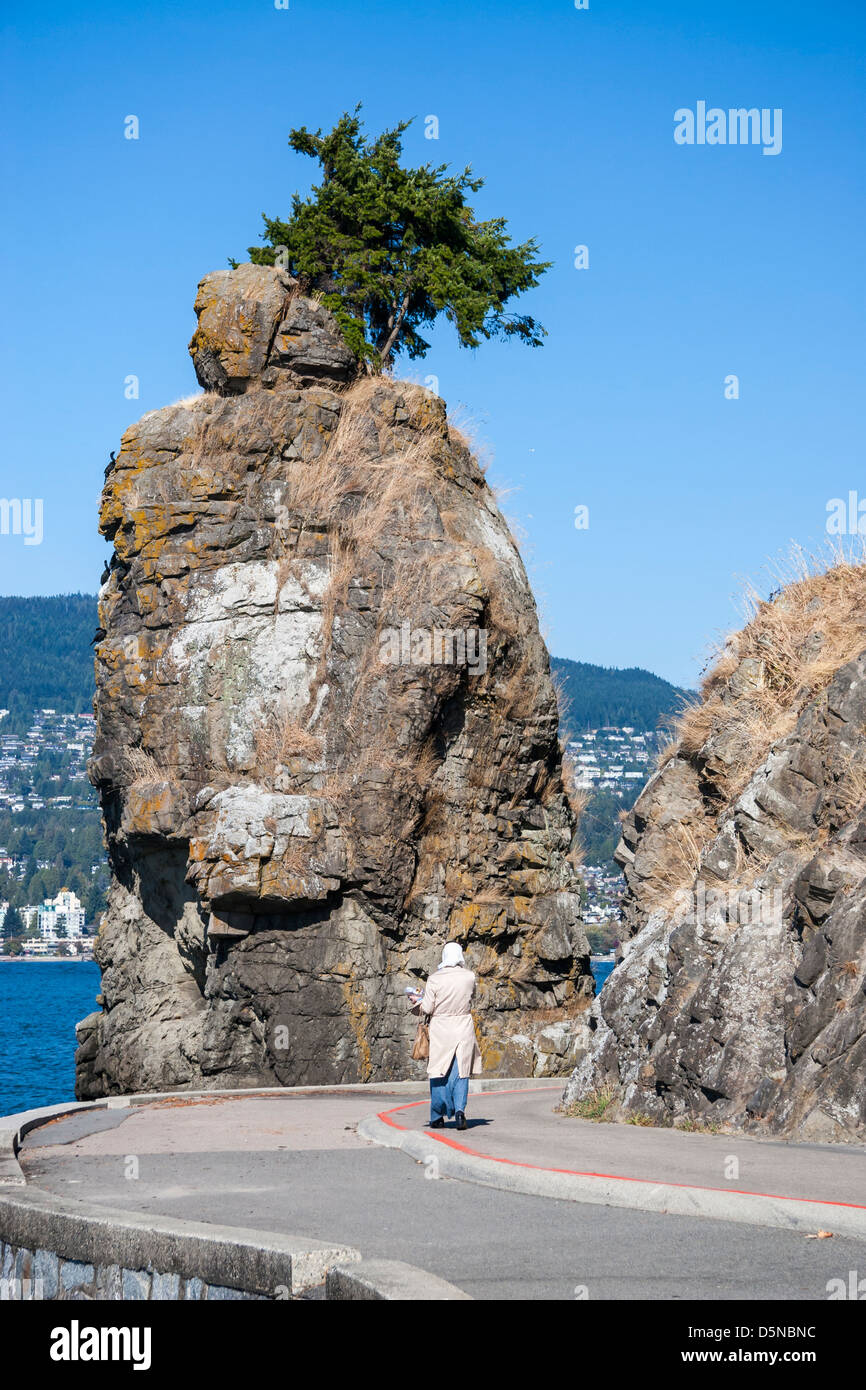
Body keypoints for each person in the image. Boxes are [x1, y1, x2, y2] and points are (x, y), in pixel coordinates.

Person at [410, 941, 482, 1130]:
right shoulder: (469, 976)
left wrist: (416, 1000)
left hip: (441, 1028)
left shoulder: (435, 979)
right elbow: (471, 997)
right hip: (463, 1027)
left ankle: (437, 1116)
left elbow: (427, 1008)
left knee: (438, 1071)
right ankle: (459, 1111)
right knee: (461, 1072)